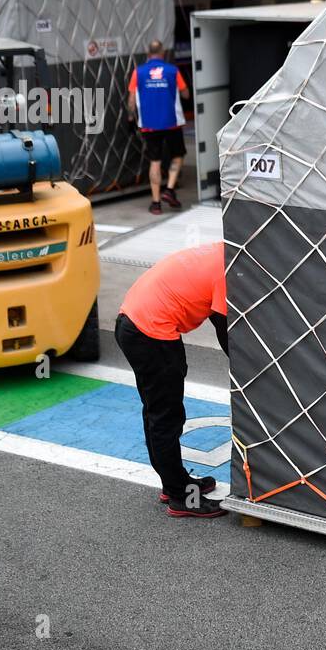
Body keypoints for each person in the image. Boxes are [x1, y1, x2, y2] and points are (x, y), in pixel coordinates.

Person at [116, 241, 229, 517]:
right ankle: (180, 497)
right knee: (166, 415)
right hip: (151, 333)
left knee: (156, 412)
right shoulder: (228, 268)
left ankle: (174, 482)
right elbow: (225, 326)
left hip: (132, 323)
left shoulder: (219, 251)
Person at [127, 40, 189, 215]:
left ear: (148, 54)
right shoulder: (173, 71)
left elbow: (131, 99)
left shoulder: (138, 73)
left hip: (149, 124)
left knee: (155, 162)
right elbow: (185, 94)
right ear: (162, 54)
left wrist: (130, 118)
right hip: (172, 122)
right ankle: (169, 189)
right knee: (177, 156)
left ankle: (156, 203)